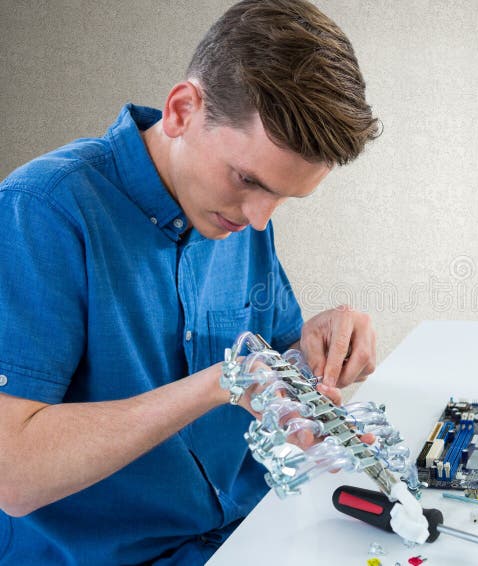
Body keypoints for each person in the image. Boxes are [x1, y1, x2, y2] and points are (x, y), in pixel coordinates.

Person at [0, 0, 380, 563]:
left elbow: (271, 360)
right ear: (181, 110)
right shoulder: (43, 212)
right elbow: (14, 472)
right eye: (248, 180)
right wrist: (219, 382)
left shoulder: (237, 214)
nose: (258, 218)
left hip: (250, 534)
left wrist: (312, 351)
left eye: (281, 196)